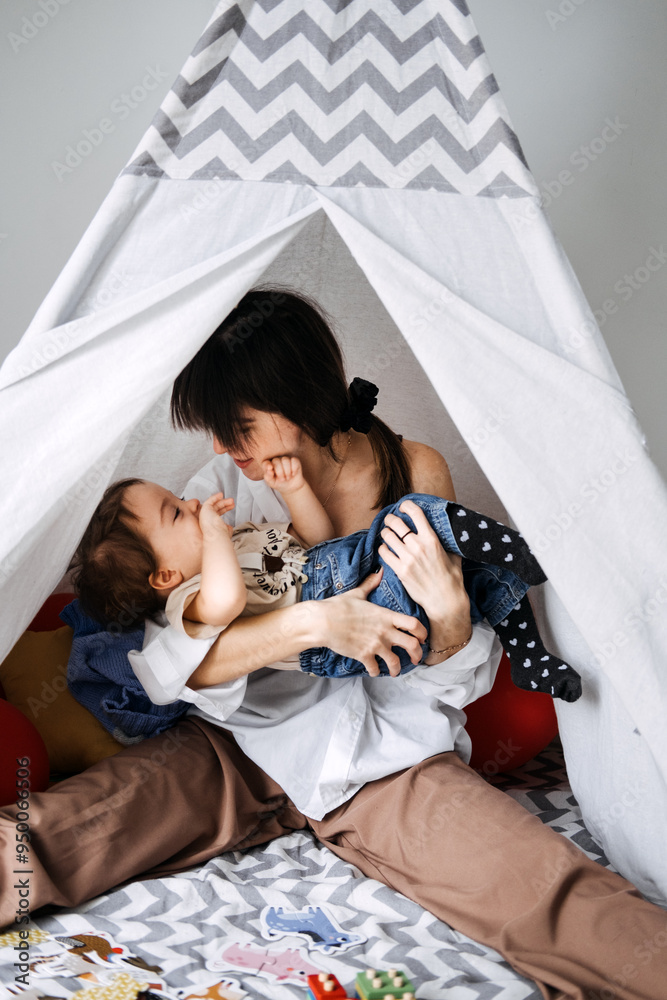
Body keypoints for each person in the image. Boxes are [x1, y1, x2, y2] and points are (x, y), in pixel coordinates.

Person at [2, 287, 666, 1000]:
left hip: (384, 761)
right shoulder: (224, 485)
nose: (224, 450)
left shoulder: (415, 475)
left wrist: (447, 621)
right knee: (65, 827)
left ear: (294, 399)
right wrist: (308, 627)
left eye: (238, 428)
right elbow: (169, 664)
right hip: (242, 747)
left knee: (547, 891)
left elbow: (452, 672)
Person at [70, 451, 581, 699]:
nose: (193, 502)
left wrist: (293, 493)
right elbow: (225, 605)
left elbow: (314, 539)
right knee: (414, 514)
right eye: (176, 513)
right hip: (339, 626)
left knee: (475, 579)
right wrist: (217, 535)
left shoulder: (244, 534)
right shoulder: (193, 599)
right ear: (165, 577)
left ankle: (529, 656)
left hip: (345, 567)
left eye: (180, 498)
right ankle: (531, 552)